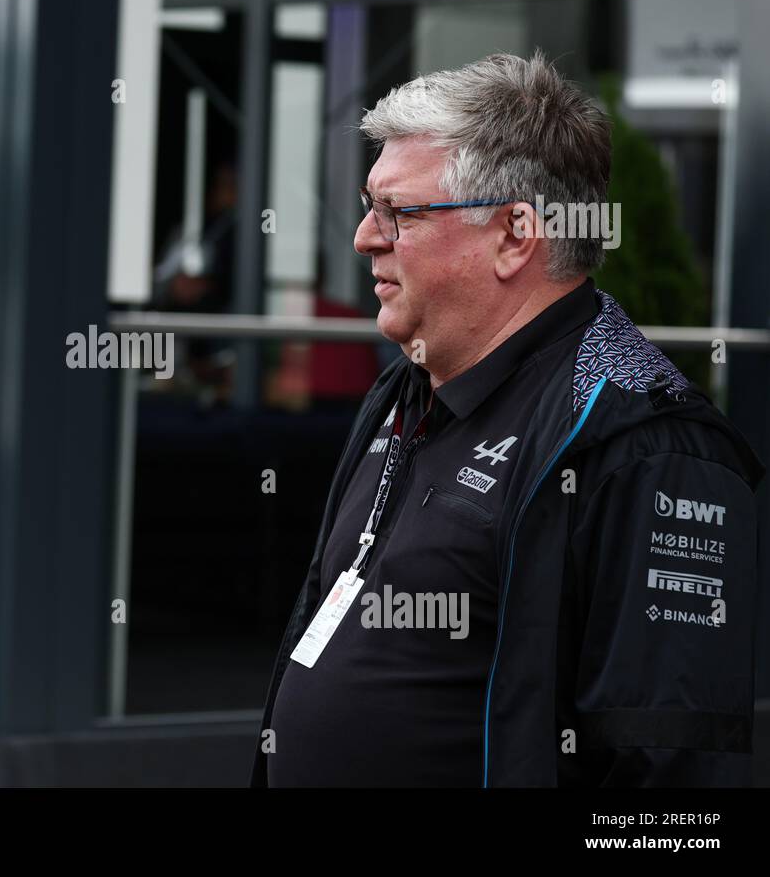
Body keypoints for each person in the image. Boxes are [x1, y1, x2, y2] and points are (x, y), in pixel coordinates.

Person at [253, 52, 762, 787]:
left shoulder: (642, 444)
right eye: (369, 205)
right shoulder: (404, 393)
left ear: (515, 234)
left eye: (398, 212)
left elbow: (671, 787)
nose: (366, 236)